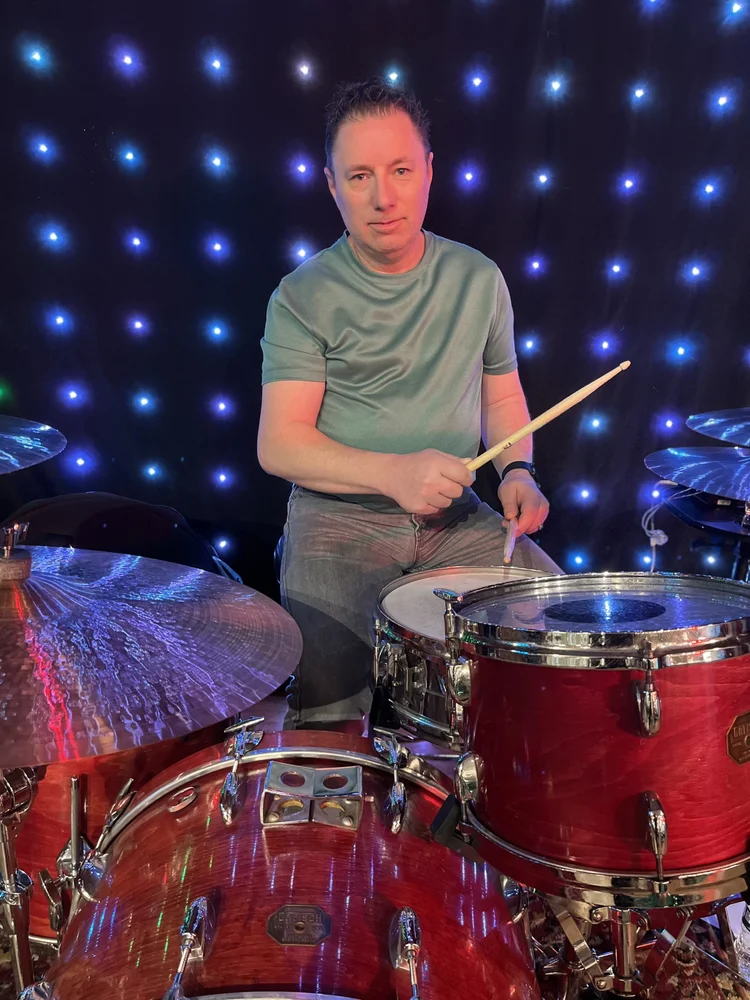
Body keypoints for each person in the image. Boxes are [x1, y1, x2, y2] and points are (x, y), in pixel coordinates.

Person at [258, 77, 561, 732]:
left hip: (456, 515)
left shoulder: (478, 278)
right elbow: (279, 443)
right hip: (337, 519)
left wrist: (516, 470)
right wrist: (392, 473)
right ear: (332, 185)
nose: (383, 197)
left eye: (400, 170)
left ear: (429, 170)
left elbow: (502, 393)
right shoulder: (302, 295)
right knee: (332, 714)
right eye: (359, 176)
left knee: (557, 637)